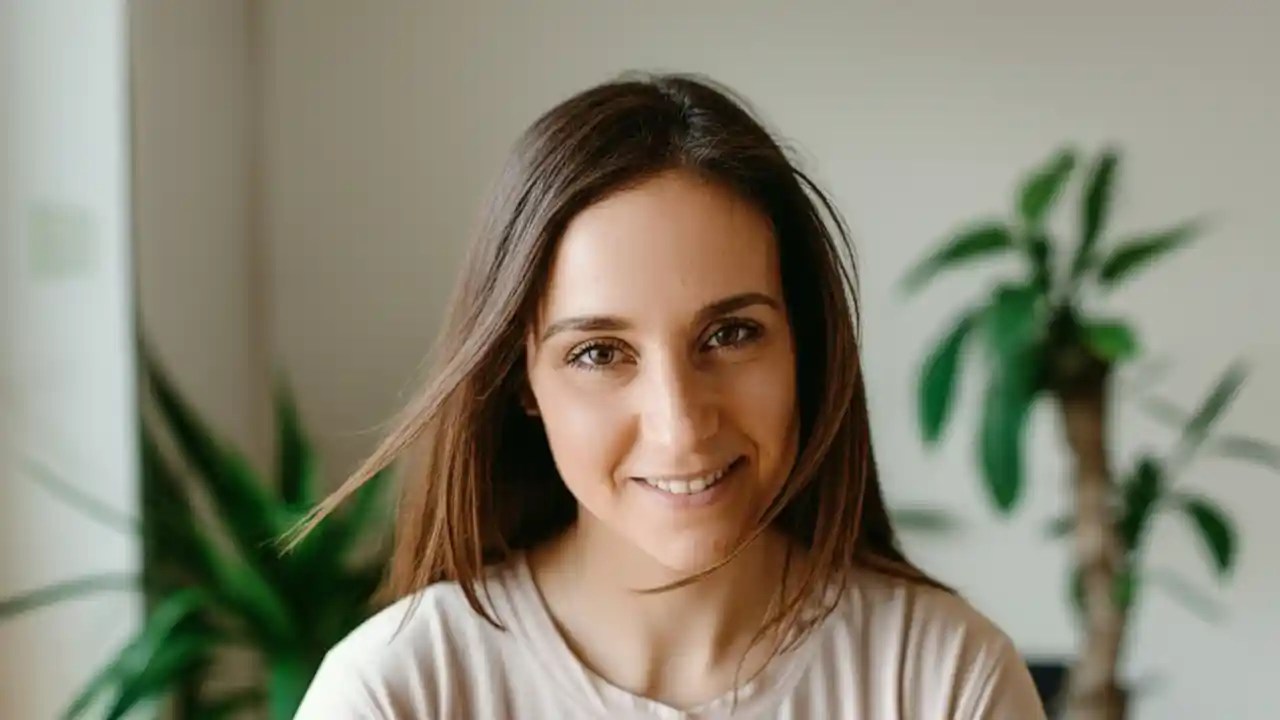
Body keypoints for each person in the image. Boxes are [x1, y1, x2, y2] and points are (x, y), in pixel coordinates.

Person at [291, 72, 1047, 719]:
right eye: (599, 353)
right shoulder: (397, 693)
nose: (681, 425)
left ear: (803, 346)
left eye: (731, 334)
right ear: (521, 378)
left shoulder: (947, 682)